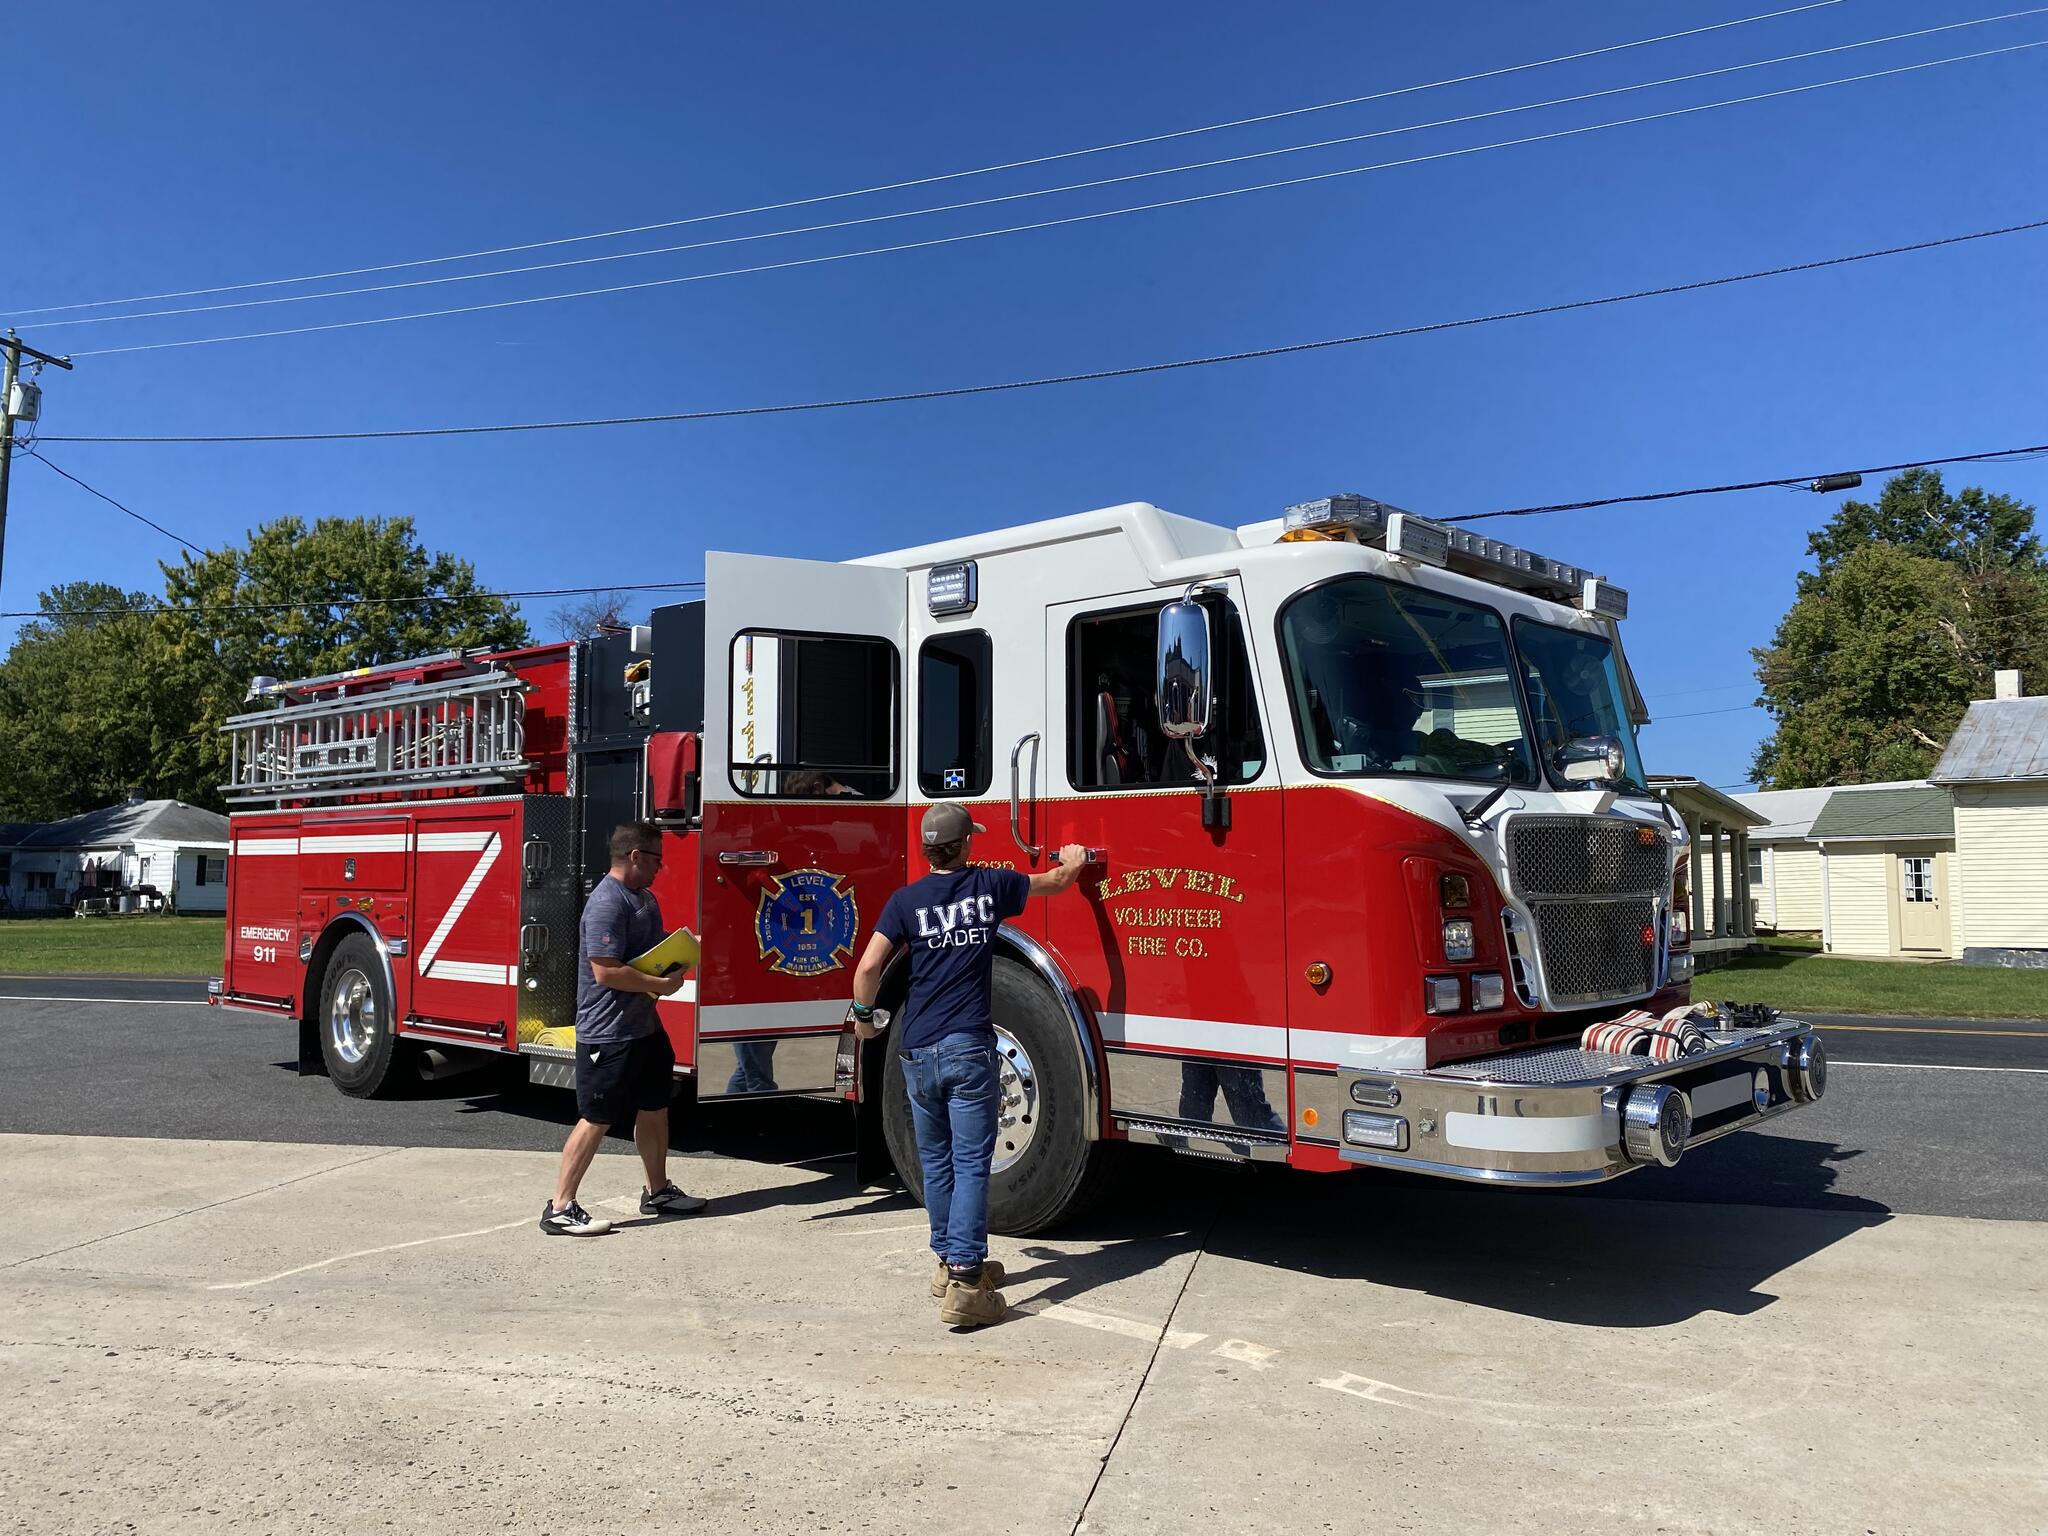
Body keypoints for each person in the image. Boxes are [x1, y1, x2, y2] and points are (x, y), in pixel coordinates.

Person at [850, 804, 1089, 1327]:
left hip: (916, 1049)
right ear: (964, 846)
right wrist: (1073, 859)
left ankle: (947, 1261)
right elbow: (1056, 881)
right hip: (967, 1049)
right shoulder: (990, 888)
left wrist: (865, 1021)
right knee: (970, 1163)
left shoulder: (904, 901)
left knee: (935, 1161)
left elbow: (869, 966)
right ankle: (965, 1280)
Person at [541, 821, 708, 1236]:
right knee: (596, 1118)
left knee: (654, 1108)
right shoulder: (606, 903)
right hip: (608, 1032)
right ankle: (560, 1207)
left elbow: (644, 953)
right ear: (634, 856)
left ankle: (657, 1192)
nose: (659, 869)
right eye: (655, 860)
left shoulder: (643, 899)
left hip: (644, 1028)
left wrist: (683, 949)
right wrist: (662, 984)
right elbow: (605, 971)